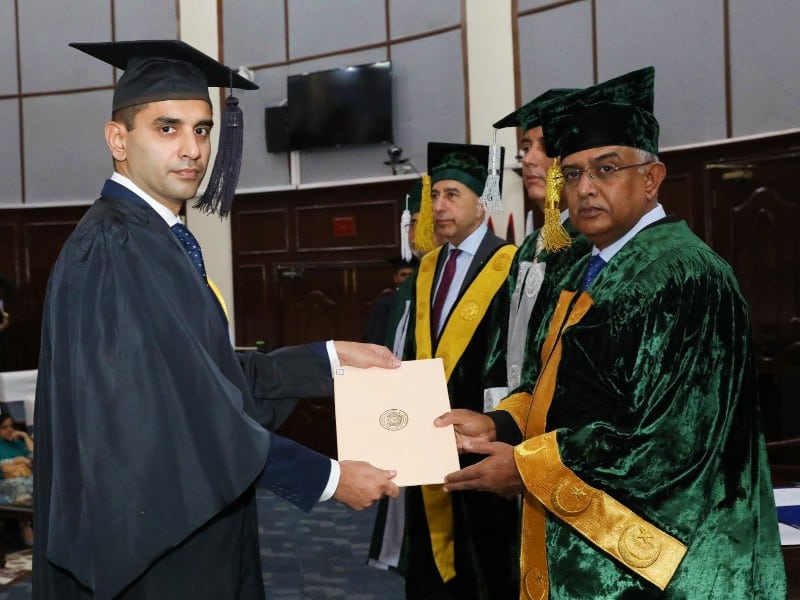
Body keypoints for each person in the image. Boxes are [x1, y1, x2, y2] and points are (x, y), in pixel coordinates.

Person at [34, 40, 401, 599]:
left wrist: (327, 358)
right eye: (167, 128)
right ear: (118, 140)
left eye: (202, 130)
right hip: (152, 548)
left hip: (181, 521)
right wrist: (328, 479)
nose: (191, 149)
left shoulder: (156, 239)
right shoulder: (117, 247)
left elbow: (206, 378)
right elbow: (185, 414)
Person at [436, 66, 787, 598]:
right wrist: (498, 425)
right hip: (584, 545)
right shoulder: (584, 270)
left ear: (651, 179)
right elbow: (554, 386)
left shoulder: (686, 276)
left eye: (605, 168)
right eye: (572, 174)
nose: (586, 188)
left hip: (661, 564)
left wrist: (528, 470)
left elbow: (671, 443)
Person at [373, 143, 519, 599]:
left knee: (484, 567)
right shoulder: (426, 267)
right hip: (423, 443)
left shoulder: (512, 266)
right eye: (434, 195)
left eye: (452, 194)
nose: (437, 206)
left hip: (483, 443)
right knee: (428, 575)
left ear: (482, 201)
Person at [488, 89, 591, 399]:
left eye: (544, 147)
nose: (528, 159)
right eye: (525, 147)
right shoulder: (532, 244)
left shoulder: (588, 243)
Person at [363, 255, 418, 345]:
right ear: (395, 278)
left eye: (411, 275)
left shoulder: (421, 300)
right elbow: (375, 335)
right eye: (403, 275)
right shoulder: (385, 302)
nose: (408, 278)